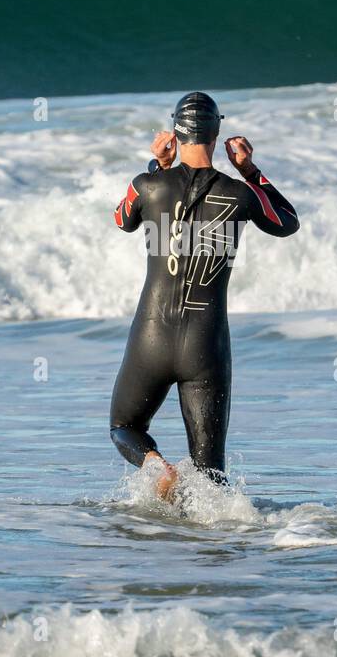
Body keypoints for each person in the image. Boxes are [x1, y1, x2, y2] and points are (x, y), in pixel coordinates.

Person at [109, 91, 300, 500]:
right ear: (218, 135)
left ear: (175, 134)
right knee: (211, 474)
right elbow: (287, 223)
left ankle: (158, 467)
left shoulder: (147, 186)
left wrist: (157, 166)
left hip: (151, 337)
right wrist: (249, 170)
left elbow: (122, 219)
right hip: (206, 344)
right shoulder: (239, 194)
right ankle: (214, 552)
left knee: (125, 426)